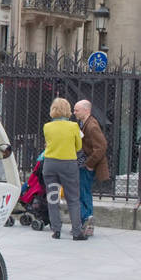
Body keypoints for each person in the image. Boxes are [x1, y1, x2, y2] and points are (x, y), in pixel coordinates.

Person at [42, 97, 87, 241]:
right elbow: (79, 147)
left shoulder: (47, 127)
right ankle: (76, 231)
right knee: (73, 198)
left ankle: (56, 230)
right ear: (67, 110)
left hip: (50, 164)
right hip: (68, 164)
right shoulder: (73, 126)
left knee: (53, 198)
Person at [73, 99, 109, 237]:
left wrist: (89, 164)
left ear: (86, 110)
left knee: (83, 192)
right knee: (82, 192)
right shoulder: (84, 123)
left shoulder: (91, 125)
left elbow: (101, 147)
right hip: (84, 163)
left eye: (77, 110)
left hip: (86, 165)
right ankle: (86, 221)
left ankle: (87, 220)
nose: (74, 112)